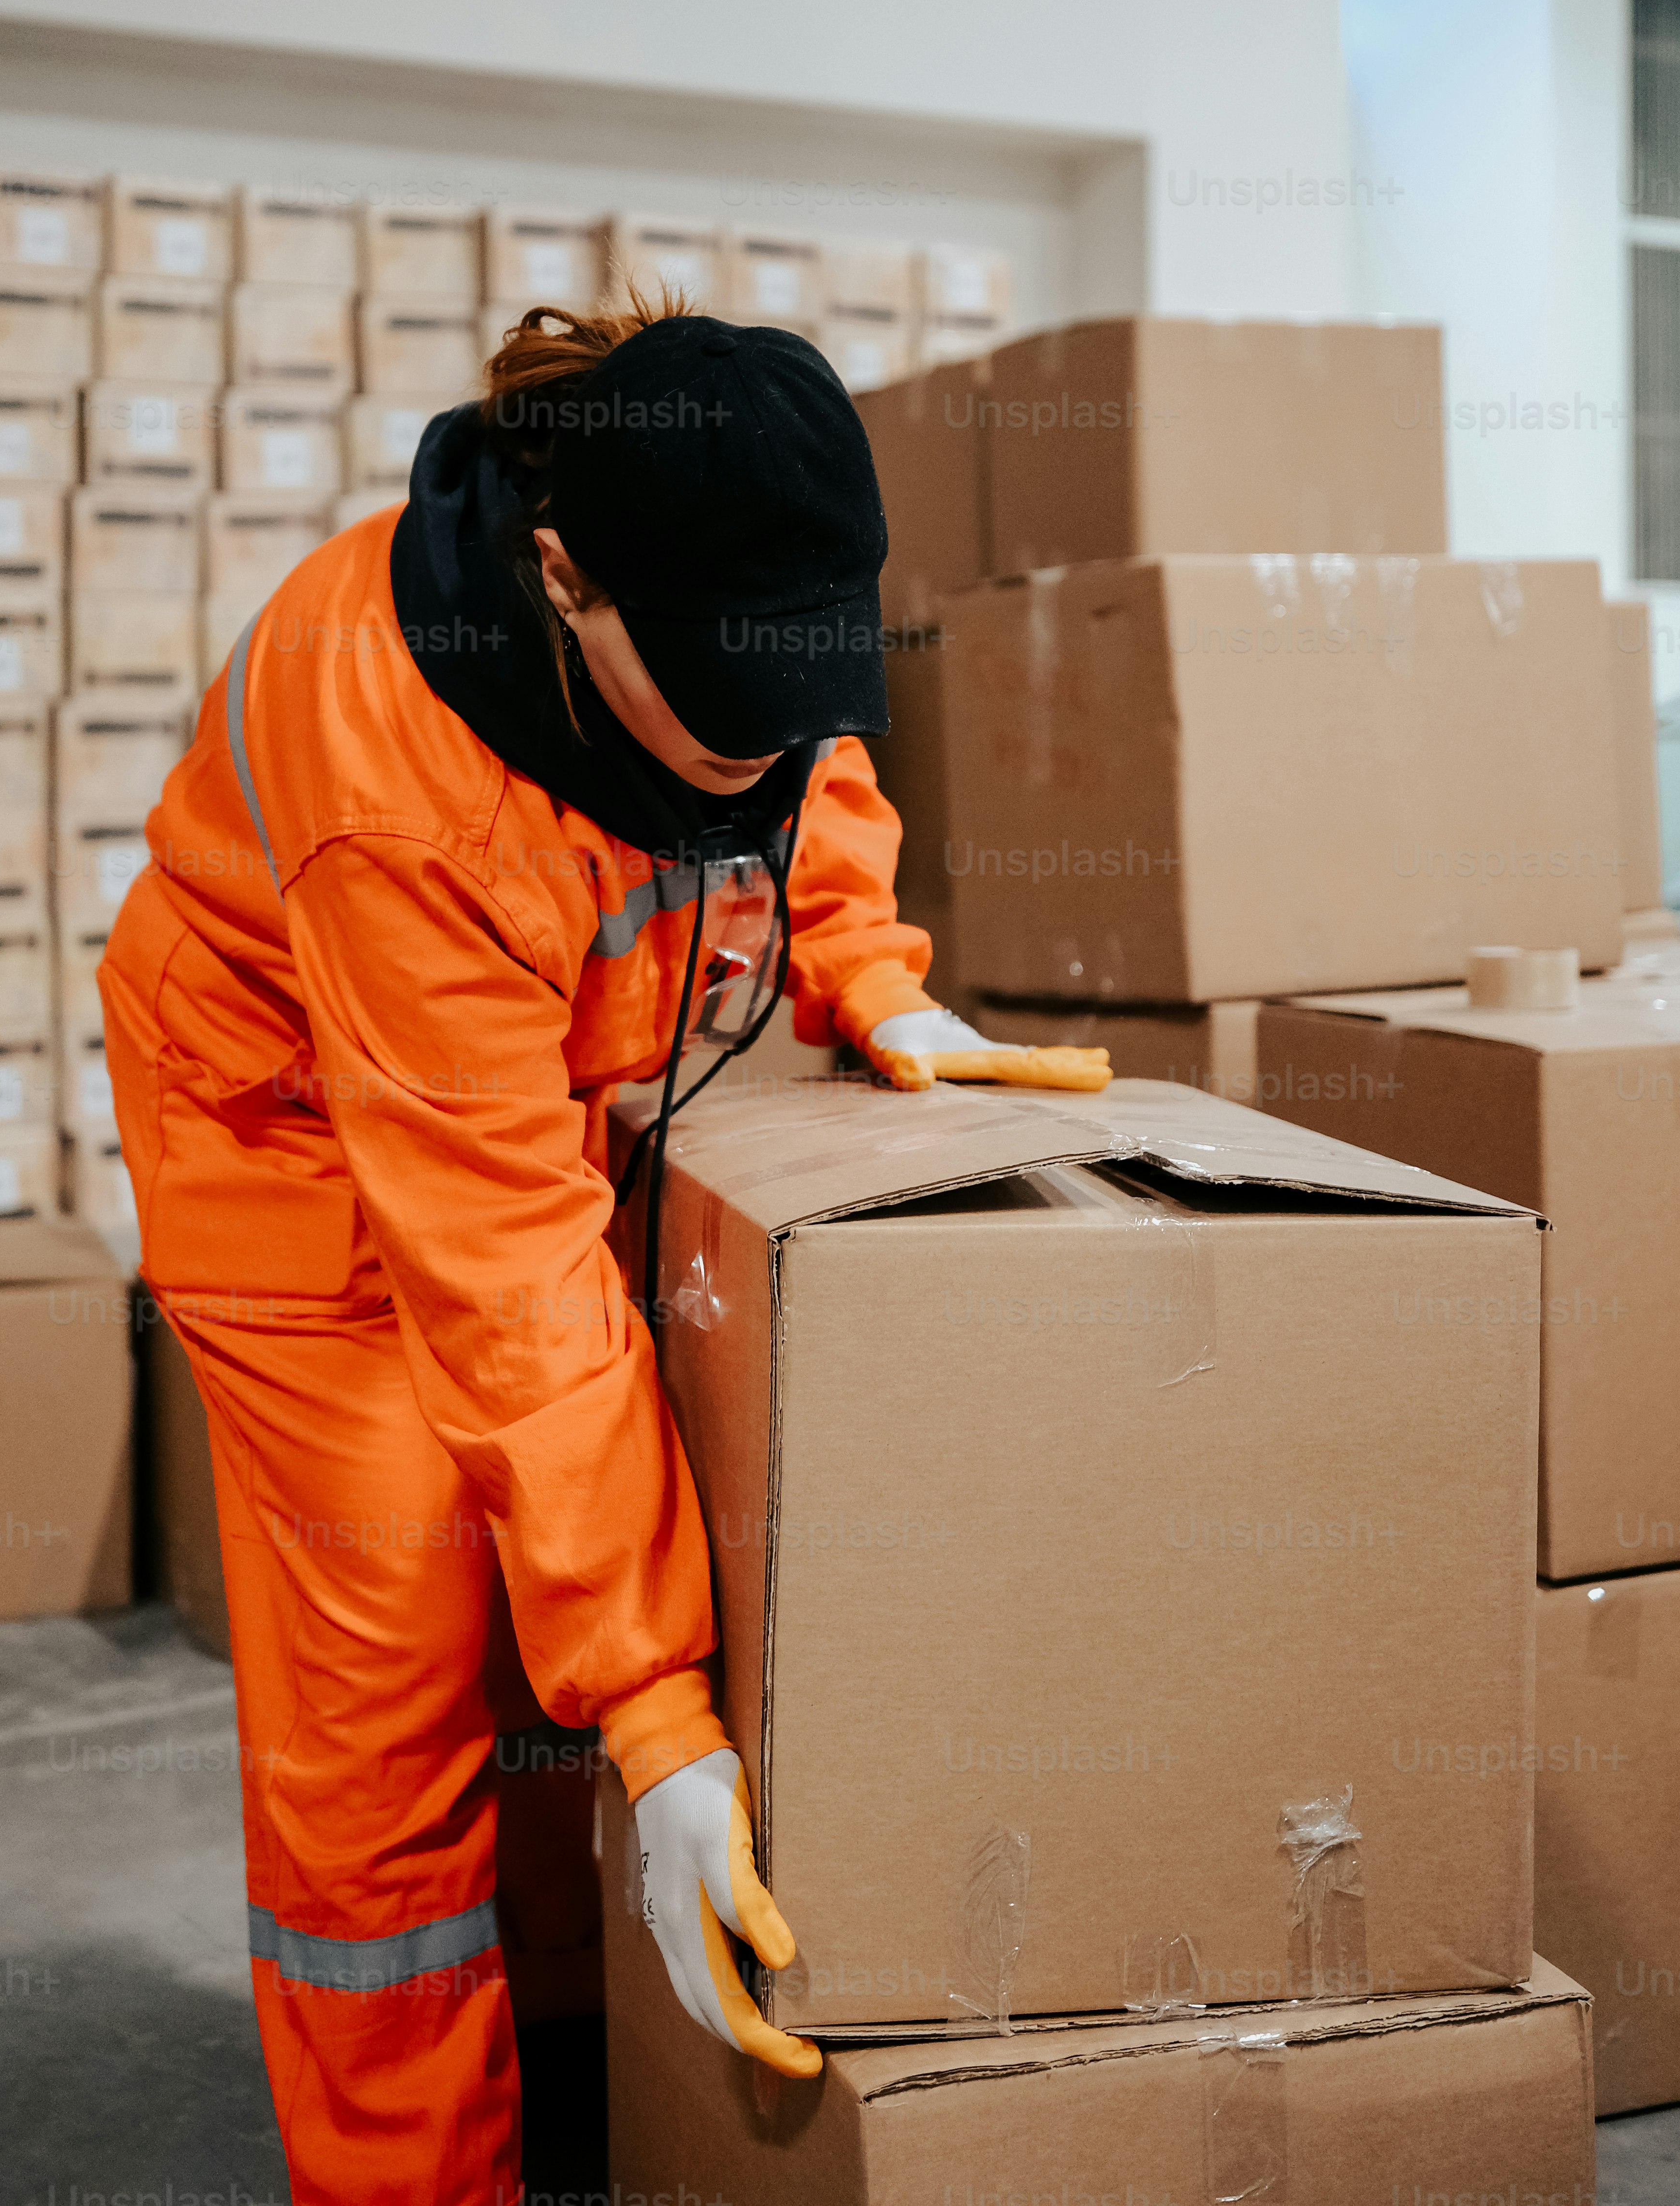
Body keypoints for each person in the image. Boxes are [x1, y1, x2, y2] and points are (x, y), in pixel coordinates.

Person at [100, 294, 1104, 2204]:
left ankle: (570, 2026)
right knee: (393, 1647)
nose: (761, 740)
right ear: (559, 578)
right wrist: (656, 1722)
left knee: (580, 1529)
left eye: (794, 676)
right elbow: (510, 1282)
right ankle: (407, 2178)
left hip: (522, 1060)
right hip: (285, 1124)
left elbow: (812, 774)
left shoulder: (728, 594)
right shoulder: (390, 761)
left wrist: (869, 976)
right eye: (720, 689)